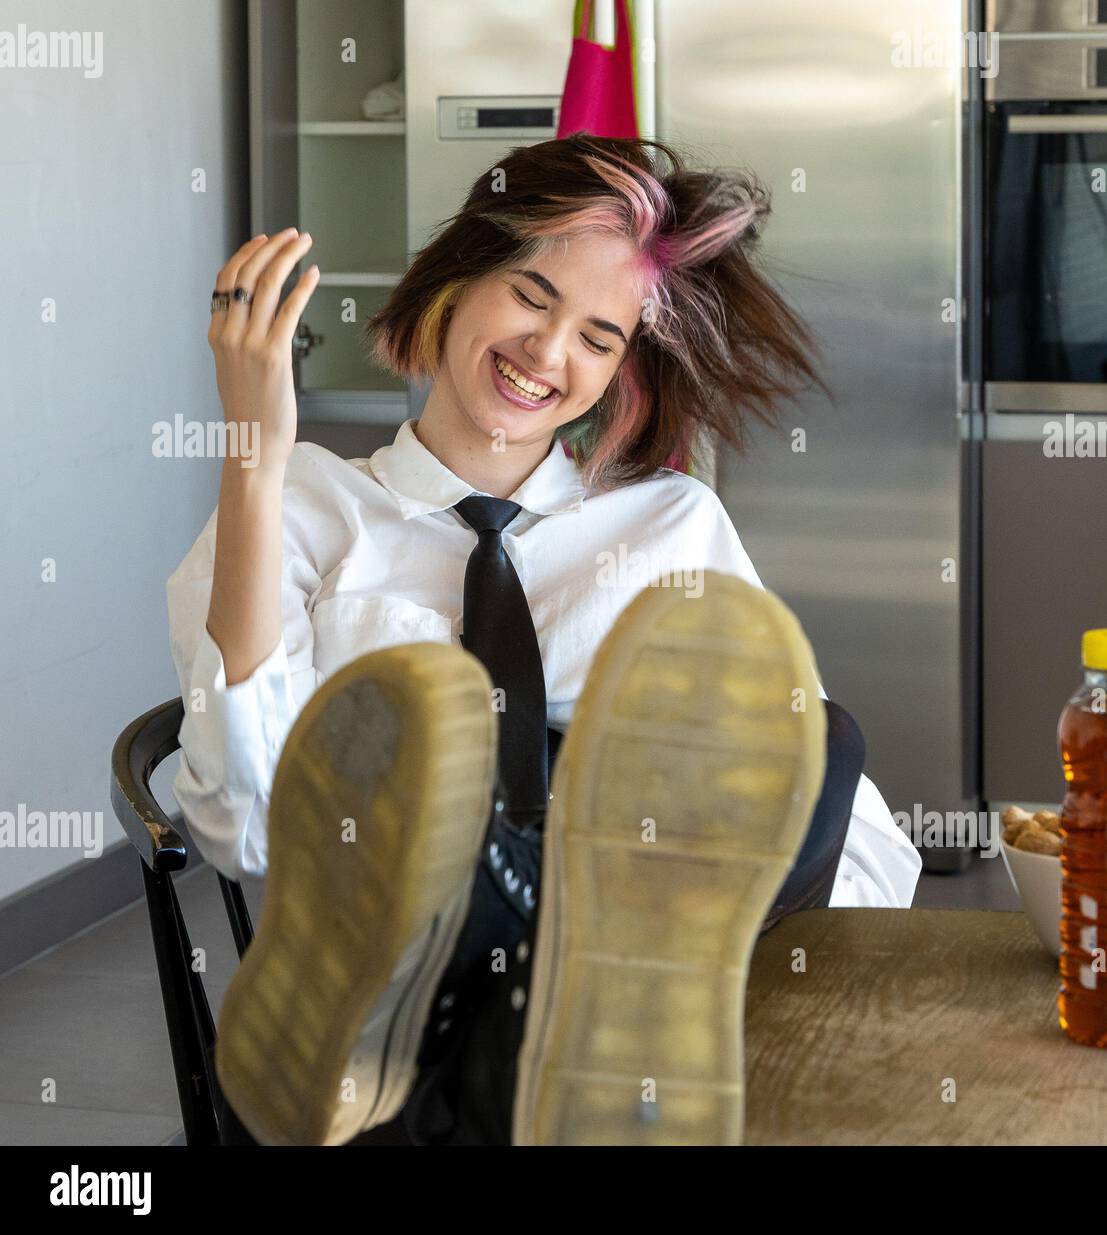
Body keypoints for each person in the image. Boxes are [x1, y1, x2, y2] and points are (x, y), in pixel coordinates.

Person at [166, 134, 922, 1146]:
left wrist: (712, 956)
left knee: (820, 742)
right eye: (530, 294)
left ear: (621, 371)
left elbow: (865, 842)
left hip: (608, 1019)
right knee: (444, 791)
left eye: (598, 338)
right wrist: (254, 460)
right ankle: (503, 948)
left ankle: (568, 957)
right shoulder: (302, 508)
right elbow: (244, 823)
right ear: (458, 279)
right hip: (404, 1010)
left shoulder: (670, 524)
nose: (548, 352)